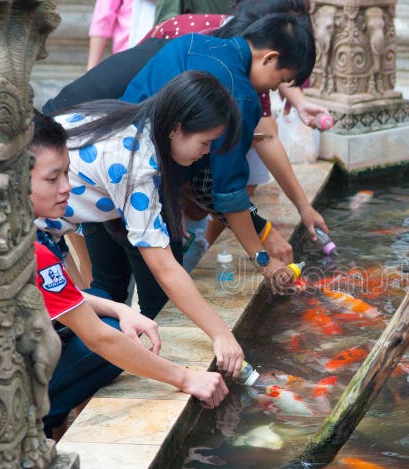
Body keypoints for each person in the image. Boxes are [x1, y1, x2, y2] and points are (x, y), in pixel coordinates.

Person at [36, 70, 248, 379]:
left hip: (49, 236)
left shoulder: (129, 123)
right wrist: (221, 335)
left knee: (86, 315)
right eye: (205, 142)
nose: (206, 152)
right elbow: (164, 268)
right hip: (36, 240)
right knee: (95, 334)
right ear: (177, 129)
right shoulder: (134, 161)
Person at [29, 111, 228, 437]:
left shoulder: (24, 230)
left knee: (110, 310)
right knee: (113, 339)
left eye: (68, 173)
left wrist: (122, 308)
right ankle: (37, 423)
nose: (67, 187)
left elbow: (61, 294)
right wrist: (186, 377)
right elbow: (99, 338)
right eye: (53, 179)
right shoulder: (34, 249)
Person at [122, 13, 315, 293]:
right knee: (160, 295)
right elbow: (228, 191)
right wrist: (262, 259)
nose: (272, 89)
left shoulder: (190, 42)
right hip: (145, 186)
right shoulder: (240, 96)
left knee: (111, 282)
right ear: (269, 58)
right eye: (279, 80)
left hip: (112, 161)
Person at [88, 0, 133, 70]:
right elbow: (103, 16)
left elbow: (103, 16)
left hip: (127, 51)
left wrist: (91, 67)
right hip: (127, 50)